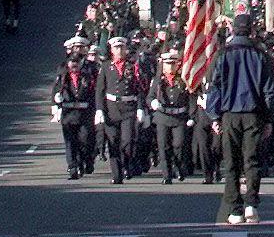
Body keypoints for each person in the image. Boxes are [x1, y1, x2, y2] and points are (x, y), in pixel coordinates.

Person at [204, 14, 274, 225]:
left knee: (231, 163)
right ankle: (251, 205)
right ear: (252, 31)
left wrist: (214, 116)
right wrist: (269, 118)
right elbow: (270, 91)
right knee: (252, 161)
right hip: (254, 115)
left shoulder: (223, 54)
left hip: (229, 115)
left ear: (233, 30)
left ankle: (235, 209)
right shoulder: (260, 56)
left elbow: (214, 87)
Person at [96, 36, 146, 184]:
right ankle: (116, 175)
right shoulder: (106, 66)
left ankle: (126, 164)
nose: (119, 50)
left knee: (127, 141)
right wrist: (99, 110)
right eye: (116, 48)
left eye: (121, 48)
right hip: (111, 109)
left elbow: (139, 88)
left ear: (125, 49)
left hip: (128, 108)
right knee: (113, 141)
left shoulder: (133, 66)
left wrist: (140, 108)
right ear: (112, 50)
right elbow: (100, 90)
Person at [52, 37, 98, 180]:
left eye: (81, 47)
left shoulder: (91, 67)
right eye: (75, 47)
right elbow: (57, 86)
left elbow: (96, 88)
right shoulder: (63, 67)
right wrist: (55, 103)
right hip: (69, 111)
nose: (78, 50)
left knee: (85, 139)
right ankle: (73, 167)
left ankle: (86, 160)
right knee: (70, 141)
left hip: (86, 111)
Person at [149, 48, 191, 183]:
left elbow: (190, 98)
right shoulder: (158, 81)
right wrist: (153, 102)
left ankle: (178, 166)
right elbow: (150, 97)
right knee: (164, 146)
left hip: (179, 117)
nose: (170, 67)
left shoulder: (183, 79)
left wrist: (191, 115)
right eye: (167, 64)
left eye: (173, 64)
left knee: (179, 144)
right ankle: (166, 175)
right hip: (163, 116)